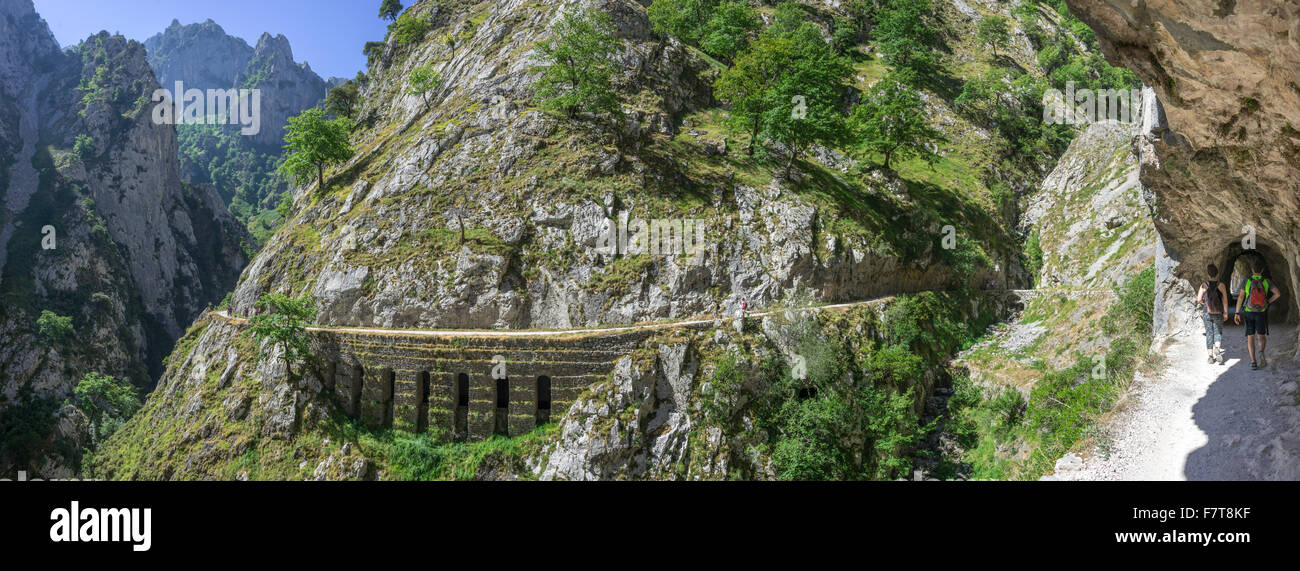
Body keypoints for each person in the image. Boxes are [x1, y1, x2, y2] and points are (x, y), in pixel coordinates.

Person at [1234, 260, 1282, 370]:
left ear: (1252, 270)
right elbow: (1278, 294)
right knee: (1261, 335)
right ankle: (1261, 352)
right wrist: (1268, 302)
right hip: (1261, 312)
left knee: (1250, 337)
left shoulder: (1246, 281)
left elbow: (1241, 297)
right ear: (1262, 270)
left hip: (1248, 311)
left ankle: (1253, 362)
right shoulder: (1266, 281)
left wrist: (1237, 312)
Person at [1195, 264, 1229, 365]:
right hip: (1218, 312)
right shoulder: (1221, 285)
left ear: (1208, 274)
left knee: (1209, 333)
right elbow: (1225, 300)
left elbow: (1199, 299)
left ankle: (1210, 357)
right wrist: (1226, 312)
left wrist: (1204, 303)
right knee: (1218, 332)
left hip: (1207, 312)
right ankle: (1217, 349)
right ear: (1217, 274)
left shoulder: (1203, 285)